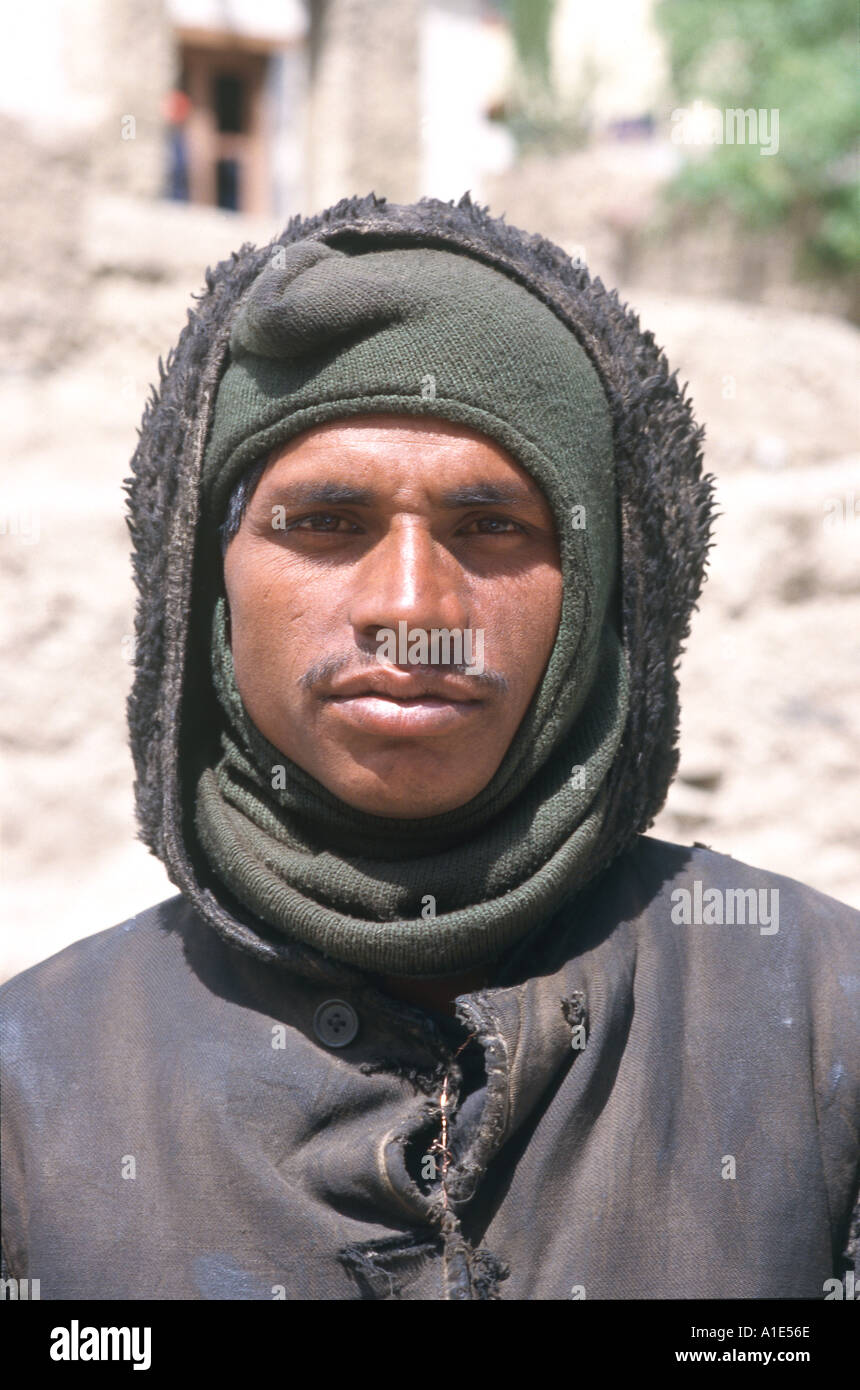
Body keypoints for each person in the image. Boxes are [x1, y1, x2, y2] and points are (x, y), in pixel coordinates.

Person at [1, 193, 857, 1301]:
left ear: (600, 595)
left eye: (492, 526)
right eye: (322, 523)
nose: (410, 606)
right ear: (206, 589)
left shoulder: (820, 1018)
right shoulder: (33, 1093)